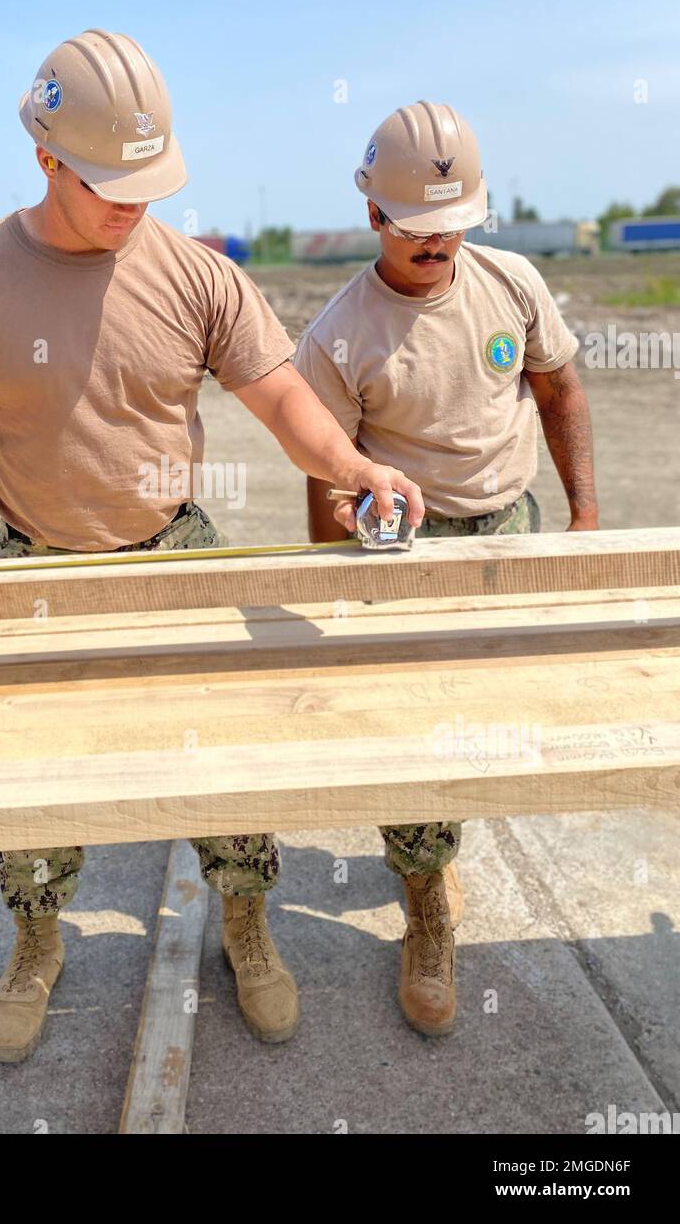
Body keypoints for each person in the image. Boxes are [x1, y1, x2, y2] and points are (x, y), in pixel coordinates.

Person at [0, 30, 424, 1062]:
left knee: (231, 756)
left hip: (174, 550)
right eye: (109, 182)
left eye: (148, 181)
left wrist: (352, 466)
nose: (131, 204)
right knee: (21, 775)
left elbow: (282, 394)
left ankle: (243, 920)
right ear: (45, 158)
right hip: (35, 564)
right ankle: (35, 936)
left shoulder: (199, 277)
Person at [294, 100, 597, 1037]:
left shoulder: (510, 285)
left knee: (501, 728)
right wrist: (342, 569)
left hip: (513, 531)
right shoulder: (338, 336)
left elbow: (558, 388)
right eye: (416, 228)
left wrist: (583, 520)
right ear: (375, 215)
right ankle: (425, 900)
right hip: (410, 554)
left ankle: (440, 837)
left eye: (451, 225)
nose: (435, 244)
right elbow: (322, 478)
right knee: (410, 739)